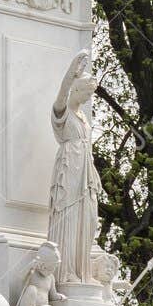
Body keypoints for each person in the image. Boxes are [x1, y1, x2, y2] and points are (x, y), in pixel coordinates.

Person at [48, 49, 102, 283]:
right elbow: (61, 95)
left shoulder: (83, 117)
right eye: (87, 92)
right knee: (68, 217)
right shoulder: (63, 110)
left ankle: (82, 271)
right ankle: (66, 270)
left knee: (87, 218)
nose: (89, 97)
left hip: (86, 170)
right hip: (69, 168)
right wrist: (71, 73)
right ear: (76, 89)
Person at [13, 242, 66, 306]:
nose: (52, 270)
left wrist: (59, 296)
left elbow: (53, 294)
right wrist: (29, 267)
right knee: (32, 289)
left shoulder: (50, 278)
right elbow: (20, 277)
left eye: (54, 268)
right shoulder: (33, 273)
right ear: (42, 264)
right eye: (50, 267)